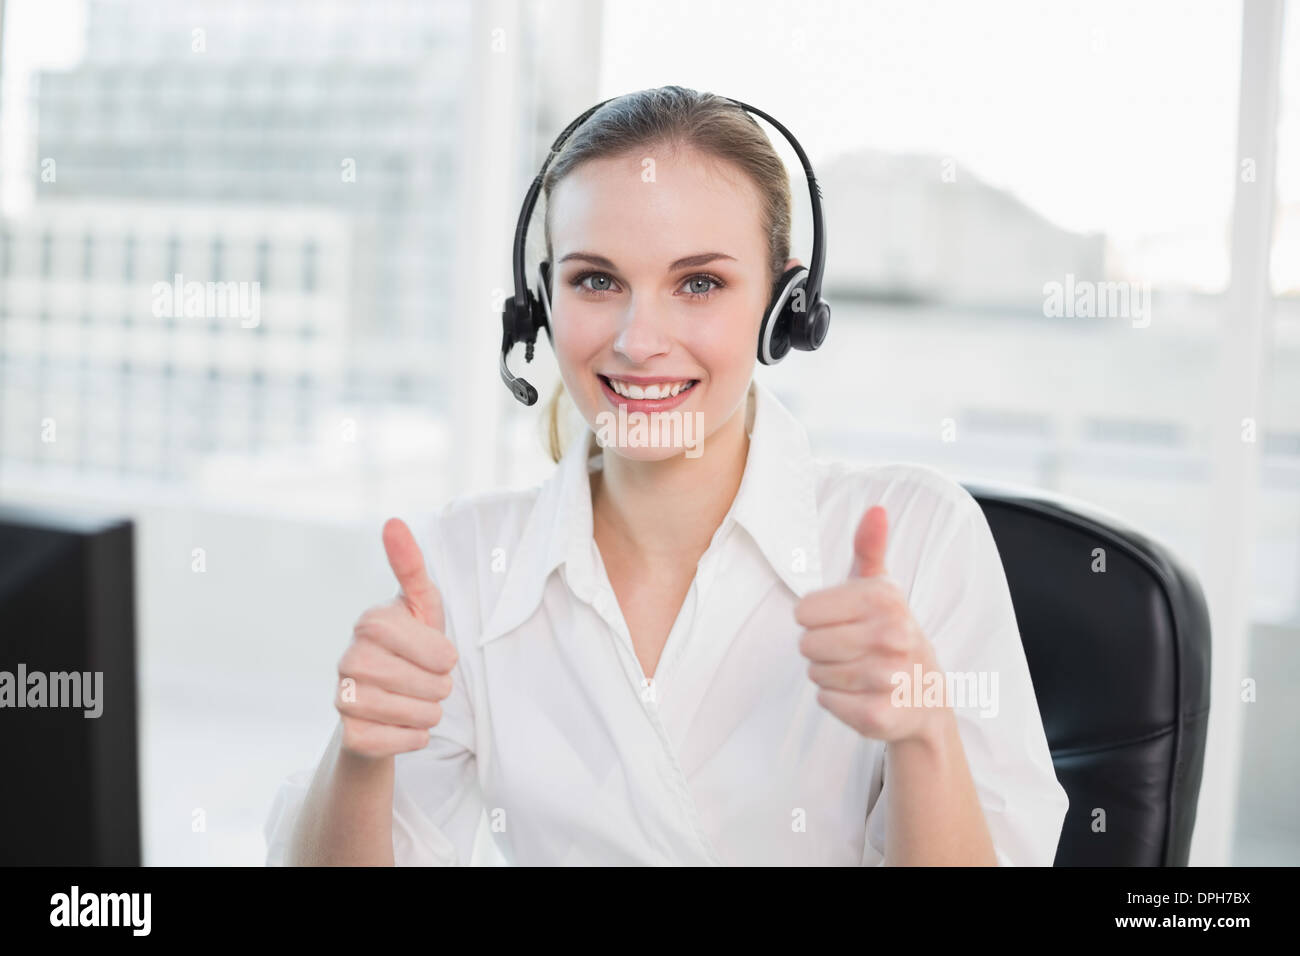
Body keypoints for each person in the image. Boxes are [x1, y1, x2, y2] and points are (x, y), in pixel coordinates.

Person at [264, 85, 1068, 866]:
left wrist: (924, 734)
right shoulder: (465, 567)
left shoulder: (921, 537)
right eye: (597, 280)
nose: (638, 339)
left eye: (699, 284)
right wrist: (361, 753)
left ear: (784, 303)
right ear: (540, 301)